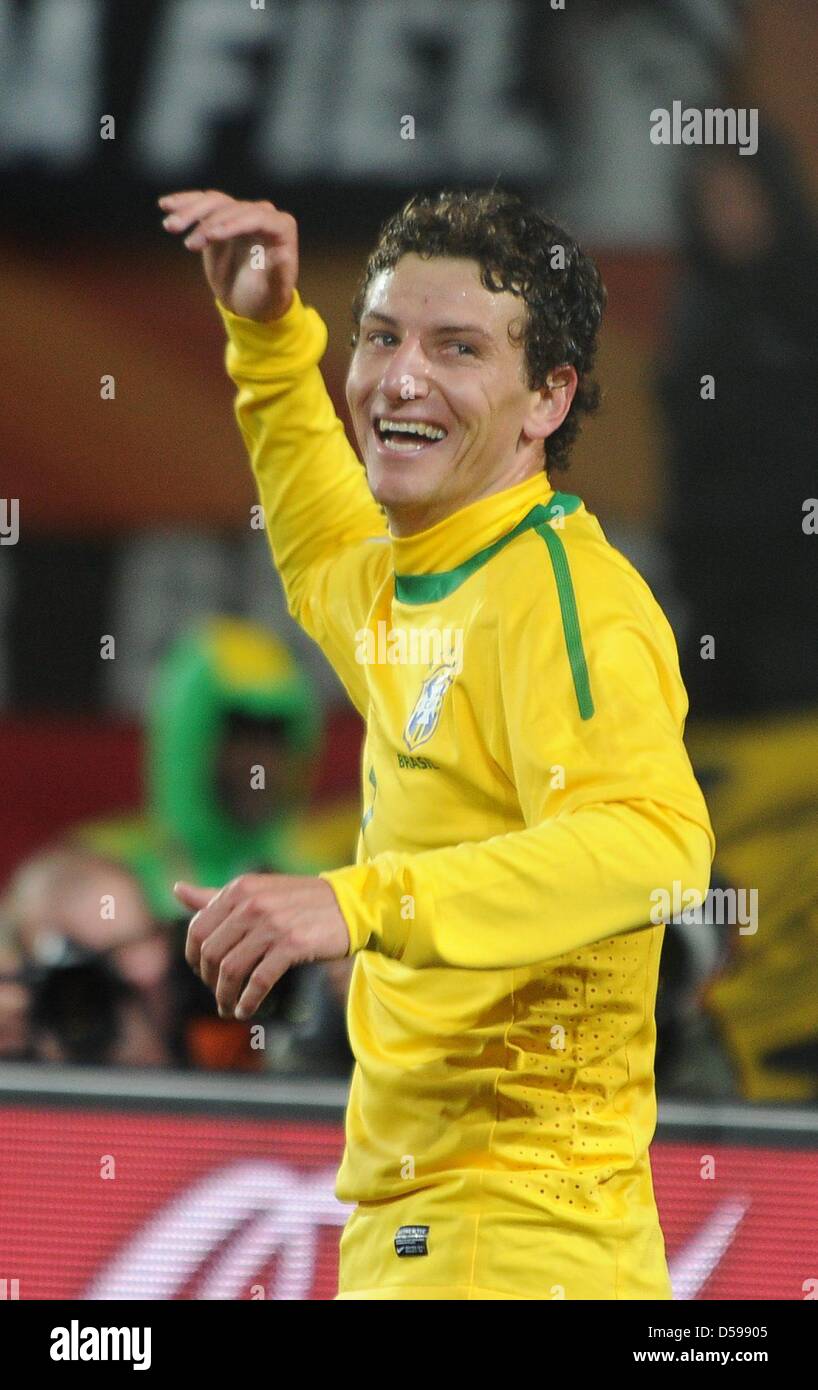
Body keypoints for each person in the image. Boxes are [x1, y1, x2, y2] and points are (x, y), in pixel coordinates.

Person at [160, 185, 714, 1300]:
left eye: (456, 348)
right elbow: (322, 539)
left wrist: (359, 902)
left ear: (545, 399)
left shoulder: (568, 602)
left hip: (517, 1232)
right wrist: (270, 343)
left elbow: (653, 842)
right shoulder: (416, 579)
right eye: (380, 337)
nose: (400, 376)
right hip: (425, 1225)